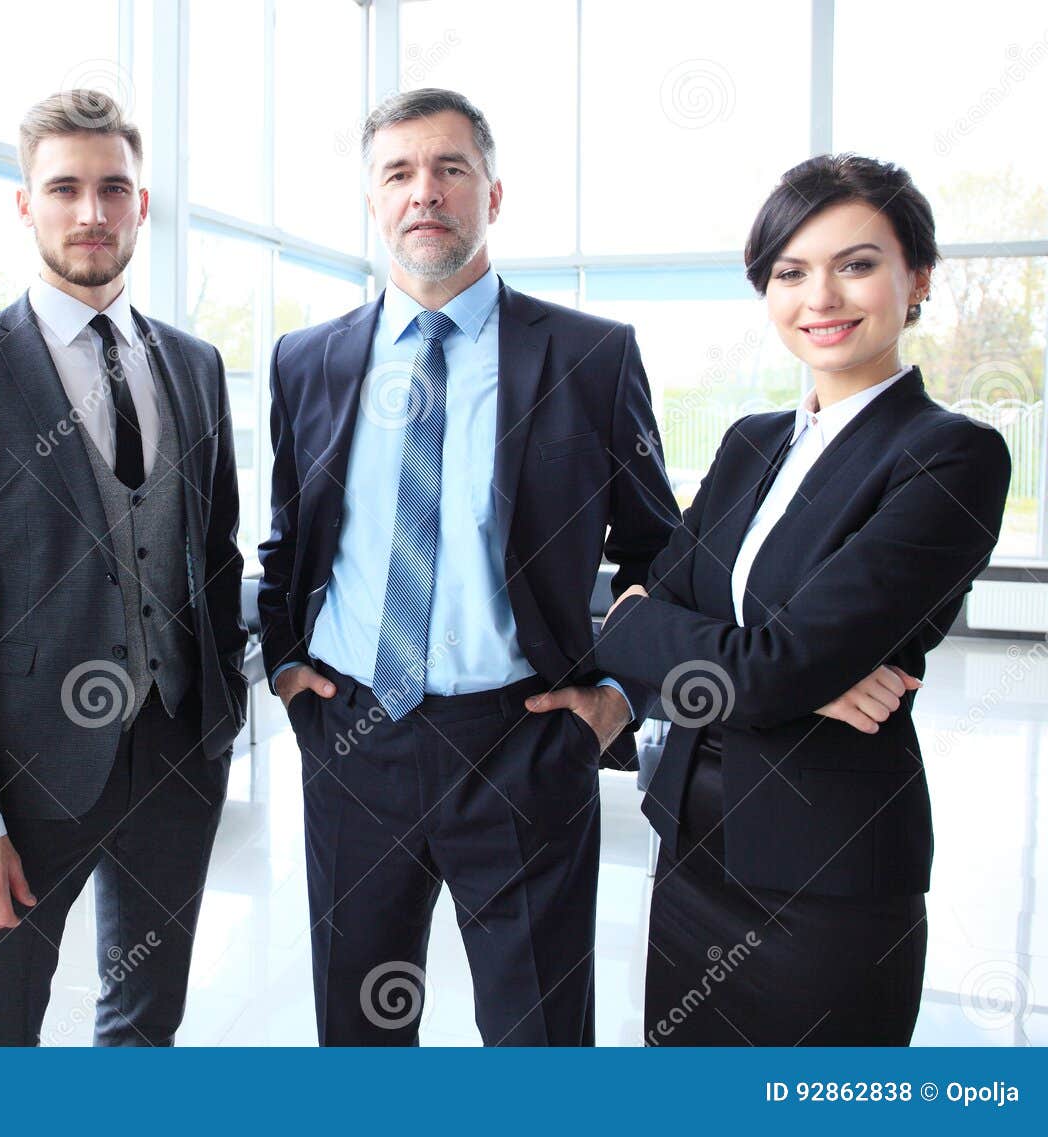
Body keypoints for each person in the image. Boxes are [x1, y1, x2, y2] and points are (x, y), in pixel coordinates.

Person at [257, 88, 679, 1046]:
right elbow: (289, 538)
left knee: (539, 1040)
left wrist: (621, 695)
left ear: (493, 193)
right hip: (355, 738)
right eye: (399, 173)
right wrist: (285, 667)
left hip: (524, 741)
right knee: (358, 1035)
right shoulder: (307, 361)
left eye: (451, 168)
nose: (426, 191)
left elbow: (659, 551)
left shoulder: (591, 356)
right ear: (373, 200)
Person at [596, 153, 1012, 1046]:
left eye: (855, 264)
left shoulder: (951, 455)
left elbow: (747, 659)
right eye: (790, 272)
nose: (820, 296)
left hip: (827, 879)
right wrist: (776, 669)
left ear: (918, 277)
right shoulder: (750, 443)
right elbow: (643, 622)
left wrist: (681, 637)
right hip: (690, 847)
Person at [0, 89, 248, 1046]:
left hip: (178, 750)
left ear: (141, 204)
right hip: (26, 768)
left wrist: (219, 714)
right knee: (3, 1021)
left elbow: (216, 553)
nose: (91, 211)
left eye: (113, 188)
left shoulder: (195, 363)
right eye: (64, 189)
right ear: (26, 205)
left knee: (148, 1014)